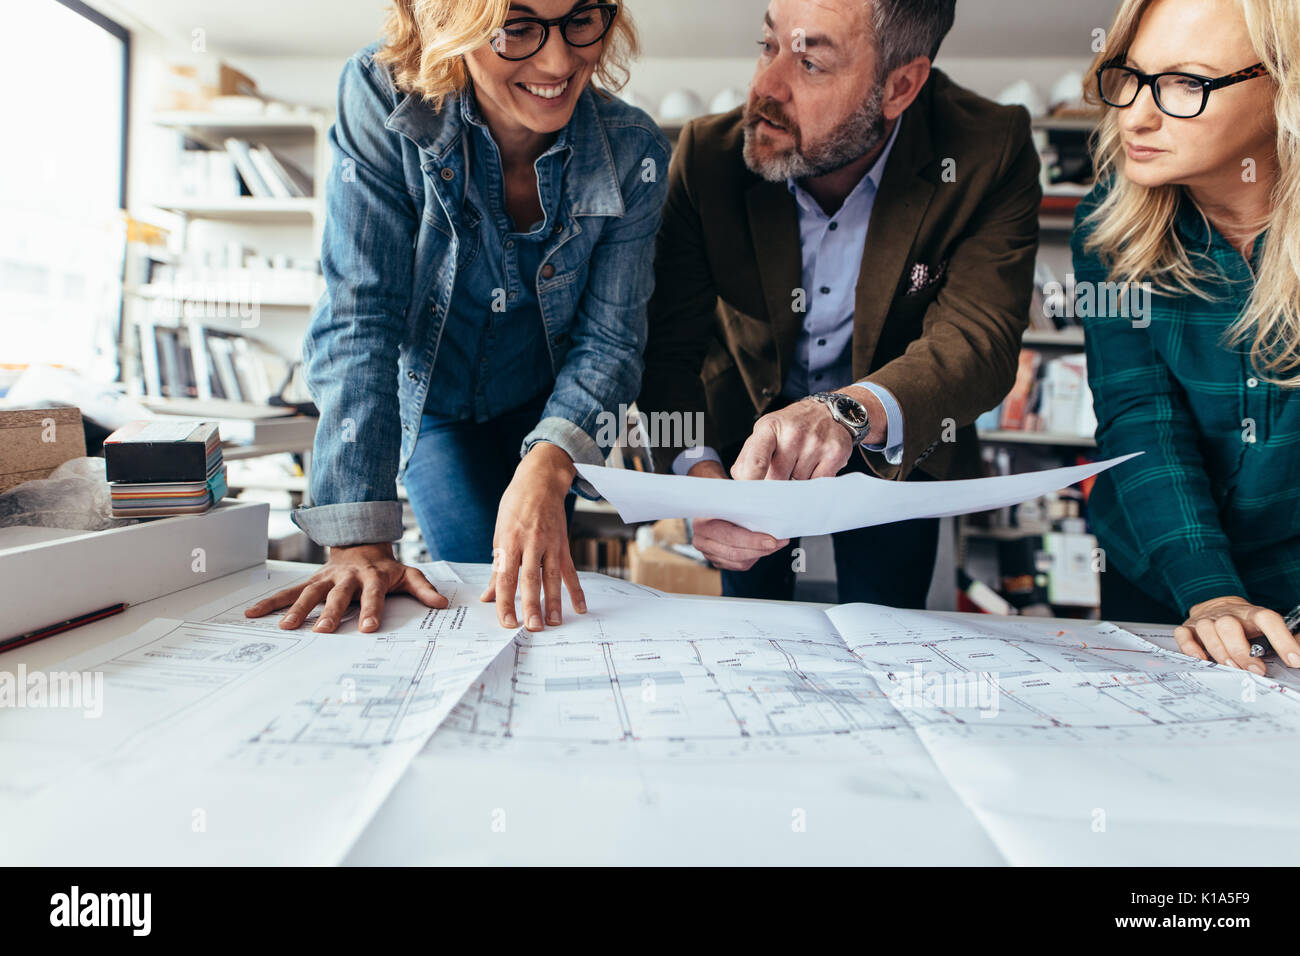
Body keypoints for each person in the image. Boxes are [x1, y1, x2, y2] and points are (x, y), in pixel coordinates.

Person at [244, 1, 670, 634]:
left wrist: (552, 460)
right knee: (483, 589)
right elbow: (363, 312)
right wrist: (358, 537)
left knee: (533, 592)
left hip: (552, 408)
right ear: (451, 27)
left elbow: (610, 341)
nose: (558, 62)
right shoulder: (384, 96)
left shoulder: (635, 152)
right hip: (435, 404)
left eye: (580, 19)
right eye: (516, 29)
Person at [637, 0, 1041, 605]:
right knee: (751, 628)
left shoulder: (988, 149)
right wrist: (698, 480)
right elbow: (670, 348)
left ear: (900, 86)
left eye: (810, 63)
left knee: (887, 634)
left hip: (898, 435)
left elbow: (976, 339)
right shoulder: (708, 157)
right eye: (768, 46)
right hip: (744, 438)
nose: (763, 90)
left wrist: (847, 414)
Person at [1072, 0, 1300, 672]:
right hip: (1158, 570)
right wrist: (1209, 591)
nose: (1135, 116)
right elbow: (1141, 418)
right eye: (1133, 76)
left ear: (1285, 83)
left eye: (1186, 84)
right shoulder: (1106, 226)